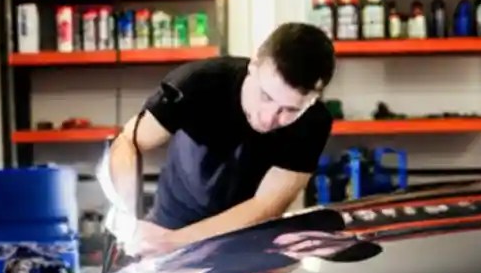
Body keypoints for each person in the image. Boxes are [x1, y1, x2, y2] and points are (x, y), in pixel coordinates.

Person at [103, 22, 337, 257]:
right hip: (170, 222)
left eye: (289, 110)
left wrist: (175, 241)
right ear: (254, 65)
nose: (268, 119)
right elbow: (129, 141)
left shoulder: (313, 123)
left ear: (312, 101)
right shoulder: (197, 83)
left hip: (247, 239)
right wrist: (129, 212)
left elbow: (266, 205)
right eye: (265, 96)